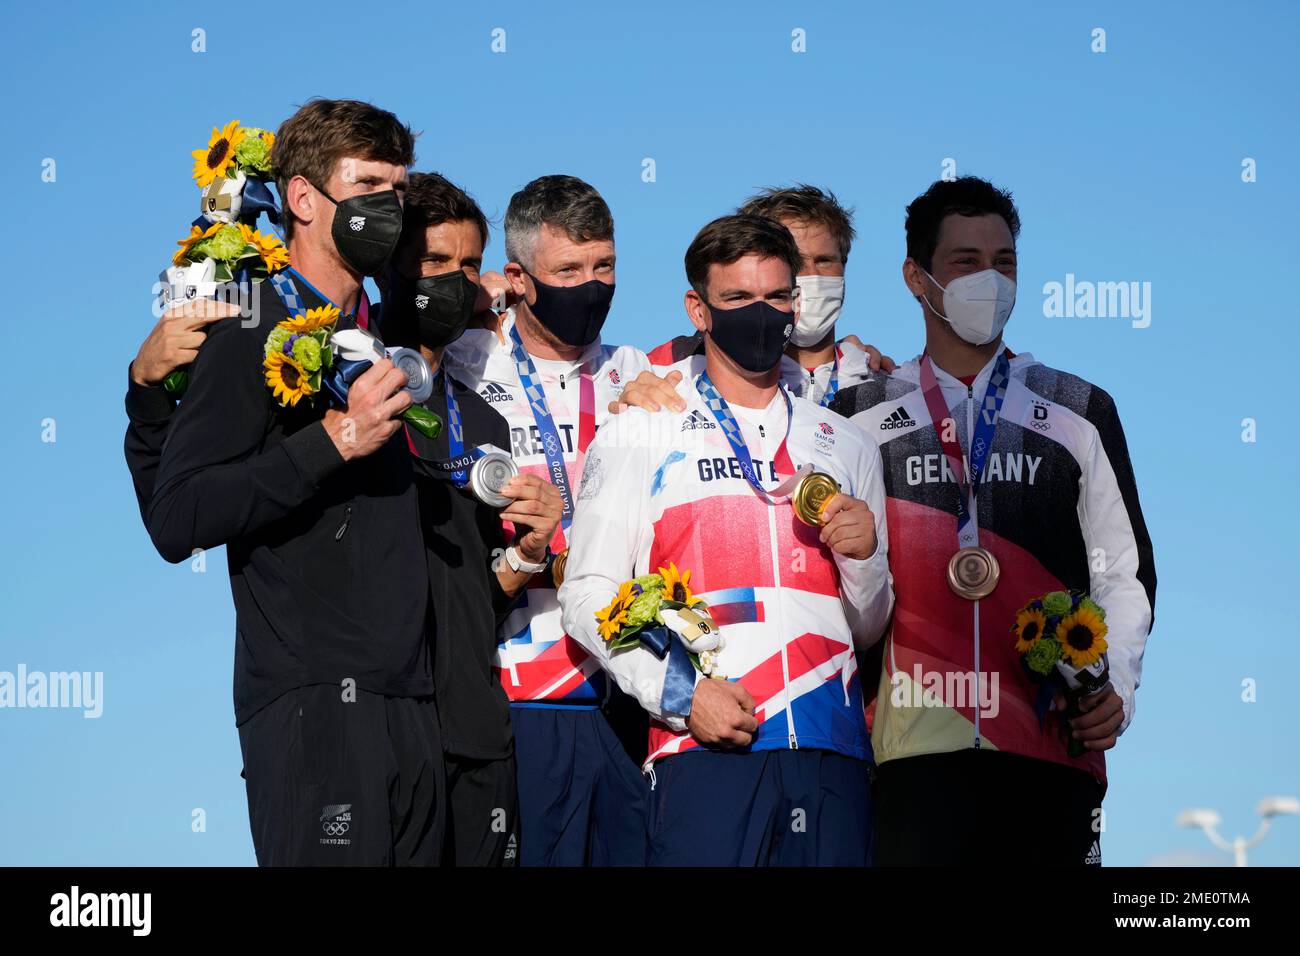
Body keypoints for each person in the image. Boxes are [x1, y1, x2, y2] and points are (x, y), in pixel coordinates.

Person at [128, 99, 444, 866]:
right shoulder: (246, 328)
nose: (389, 208)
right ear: (303, 199)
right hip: (315, 703)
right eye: (369, 184)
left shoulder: (391, 343)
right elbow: (178, 516)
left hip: (415, 701)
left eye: (398, 190)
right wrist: (333, 442)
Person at [830, 176, 1156, 866]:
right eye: (966, 262)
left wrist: (1117, 684)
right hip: (910, 758)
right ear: (916, 278)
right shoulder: (856, 415)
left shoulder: (1079, 407)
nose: (990, 279)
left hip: (1049, 748)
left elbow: (1124, 573)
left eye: (1004, 262)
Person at [558, 214, 894, 866]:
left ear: (795, 303)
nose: (760, 314)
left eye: (775, 297)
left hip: (833, 755)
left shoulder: (846, 441)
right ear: (699, 309)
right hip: (707, 752)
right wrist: (681, 695)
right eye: (738, 299)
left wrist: (863, 560)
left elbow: (869, 624)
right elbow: (587, 593)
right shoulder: (643, 427)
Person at [443, 174, 660, 866]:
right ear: (517, 277)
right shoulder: (463, 365)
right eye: (568, 270)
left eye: (605, 267)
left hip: (624, 698)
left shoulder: (636, 373)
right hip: (515, 695)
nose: (591, 286)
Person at [378, 172, 564, 865]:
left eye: (465, 266)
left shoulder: (481, 417)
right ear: (390, 269)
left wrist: (529, 553)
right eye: (433, 264)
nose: (453, 283)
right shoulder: (350, 393)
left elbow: (474, 596)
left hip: (477, 732)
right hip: (386, 728)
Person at [636, 184, 889, 411]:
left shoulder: (879, 379)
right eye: (796, 262)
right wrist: (633, 394)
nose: (811, 275)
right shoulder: (679, 363)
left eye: (825, 261)